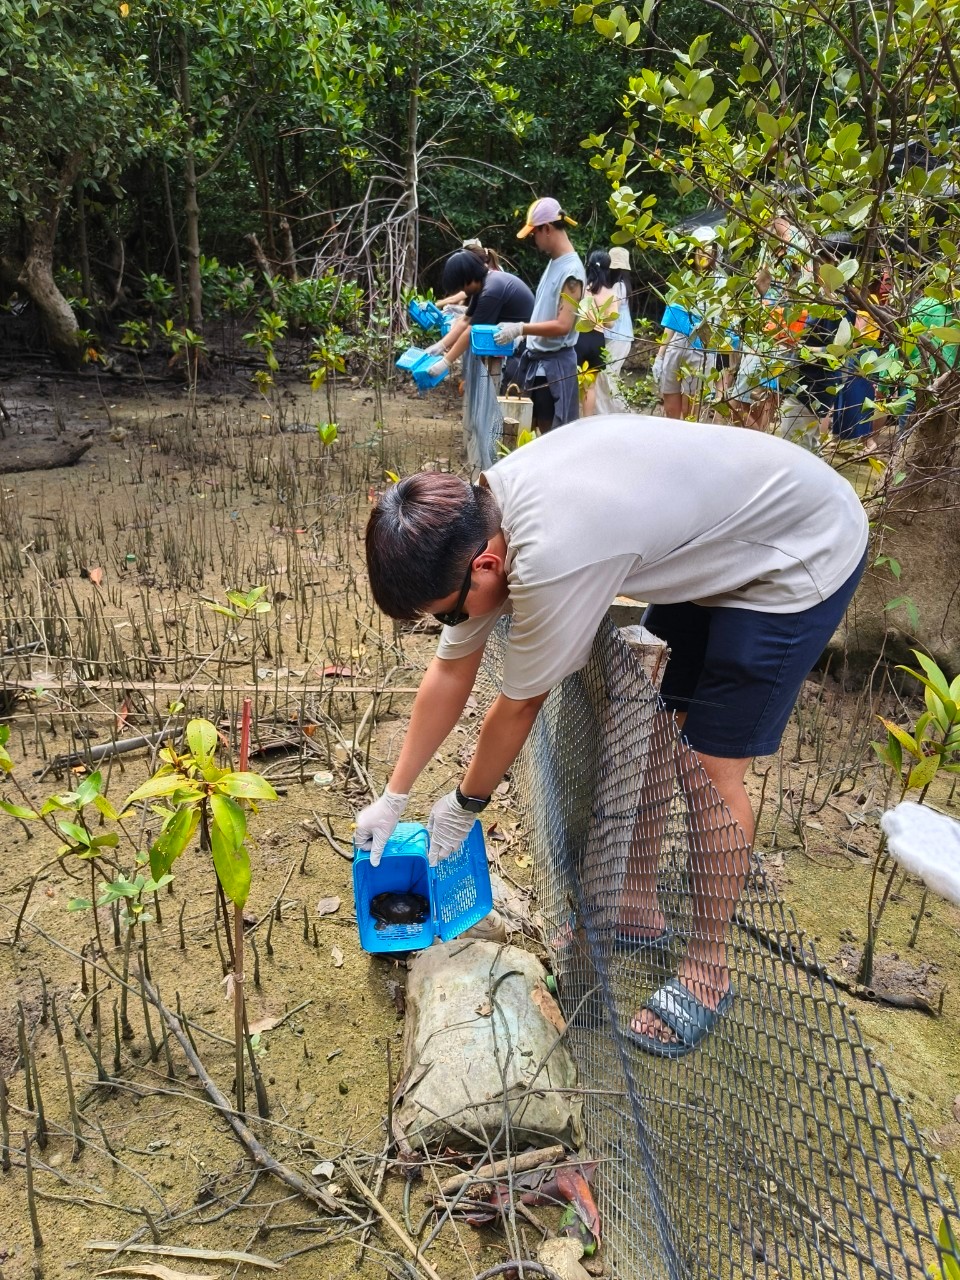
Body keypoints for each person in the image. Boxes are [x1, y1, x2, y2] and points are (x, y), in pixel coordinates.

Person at [357, 414, 869, 1057]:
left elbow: (519, 707)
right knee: (656, 728)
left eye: (449, 612)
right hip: (710, 539)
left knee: (710, 773)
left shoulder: (551, 557)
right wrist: (395, 795)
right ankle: (636, 906)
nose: (453, 624)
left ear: (486, 566)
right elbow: (451, 670)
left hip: (798, 548)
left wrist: (464, 806)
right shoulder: (482, 518)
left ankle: (708, 971)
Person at [425, 249, 535, 473]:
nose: (463, 291)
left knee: (501, 411)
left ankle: (499, 464)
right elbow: (465, 320)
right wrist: (441, 345)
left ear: (469, 278)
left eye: (462, 285)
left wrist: (445, 362)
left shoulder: (491, 290)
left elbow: (472, 331)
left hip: (520, 349)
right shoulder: (484, 284)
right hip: (505, 343)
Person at [492, 197, 586, 433]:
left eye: (535, 233)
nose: (534, 239)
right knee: (532, 432)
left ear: (548, 229)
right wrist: (523, 334)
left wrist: (521, 328)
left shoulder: (571, 272)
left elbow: (563, 325)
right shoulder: (555, 263)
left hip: (553, 369)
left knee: (551, 436)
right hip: (538, 364)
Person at [575, 250, 619, 415]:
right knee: (590, 387)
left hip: (580, 337)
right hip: (597, 340)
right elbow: (611, 323)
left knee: (573, 382)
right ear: (608, 269)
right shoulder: (611, 294)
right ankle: (587, 420)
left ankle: (571, 419)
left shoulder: (582, 289)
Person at [605, 246, 635, 375]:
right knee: (611, 375)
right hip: (620, 337)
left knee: (609, 376)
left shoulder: (618, 286)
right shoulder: (624, 286)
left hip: (617, 336)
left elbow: (613, 313)